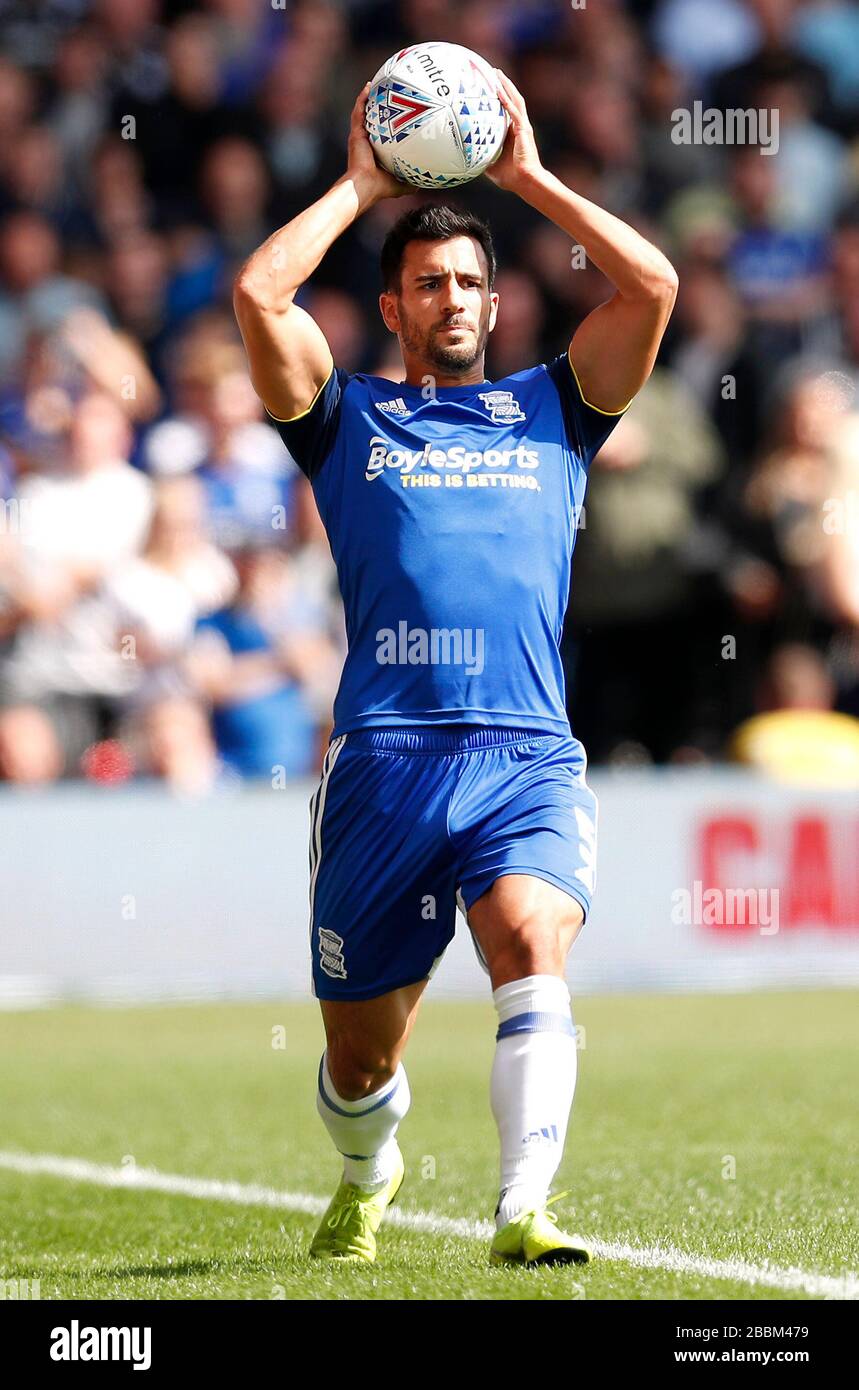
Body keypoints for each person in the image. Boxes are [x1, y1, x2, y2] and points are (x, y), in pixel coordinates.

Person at [233, 71, 677, 1267]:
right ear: (392, 304)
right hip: (383, 765)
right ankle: (368, 1166)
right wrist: (360, 182)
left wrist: (528, 178)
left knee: (530, 942)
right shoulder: (346, 422)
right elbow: (257, 291)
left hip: (524, 753)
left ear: (500, 298)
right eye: (429, 281)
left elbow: (652, 285)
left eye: (472, 279)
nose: (455, 297)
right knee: (358, 1064)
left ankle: (521, 1209)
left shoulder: (559, 412)